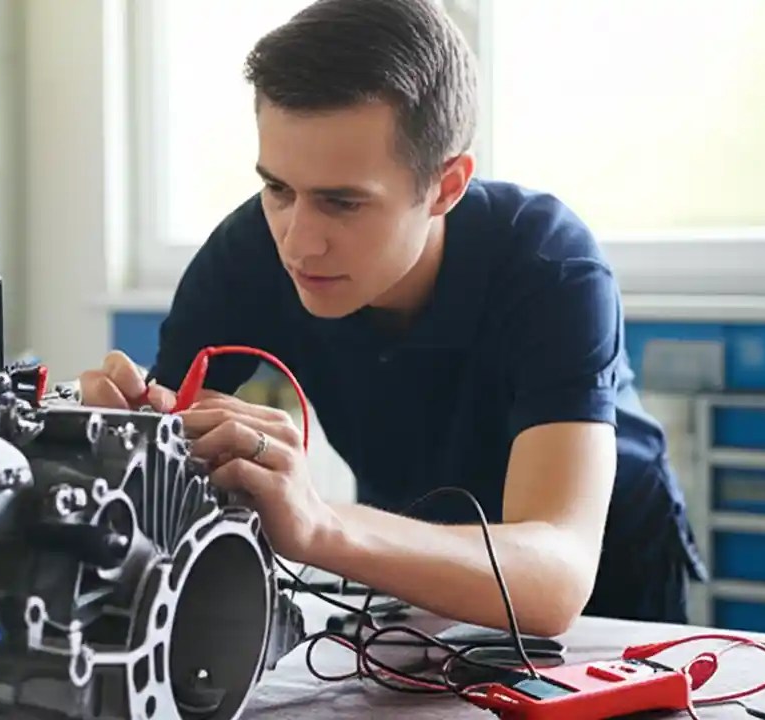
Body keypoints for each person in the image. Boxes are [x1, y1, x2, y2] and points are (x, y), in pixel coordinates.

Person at [79, 0, 706, 636]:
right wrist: (117, 435)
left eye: (343, 202)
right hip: (413, 561)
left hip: (607, 582)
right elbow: (174, 448)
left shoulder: (552, 264)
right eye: (278, 189)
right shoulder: (247, 252)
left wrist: (319, 523)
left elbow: (555, 580)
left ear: (447, 186)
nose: (298, 243)